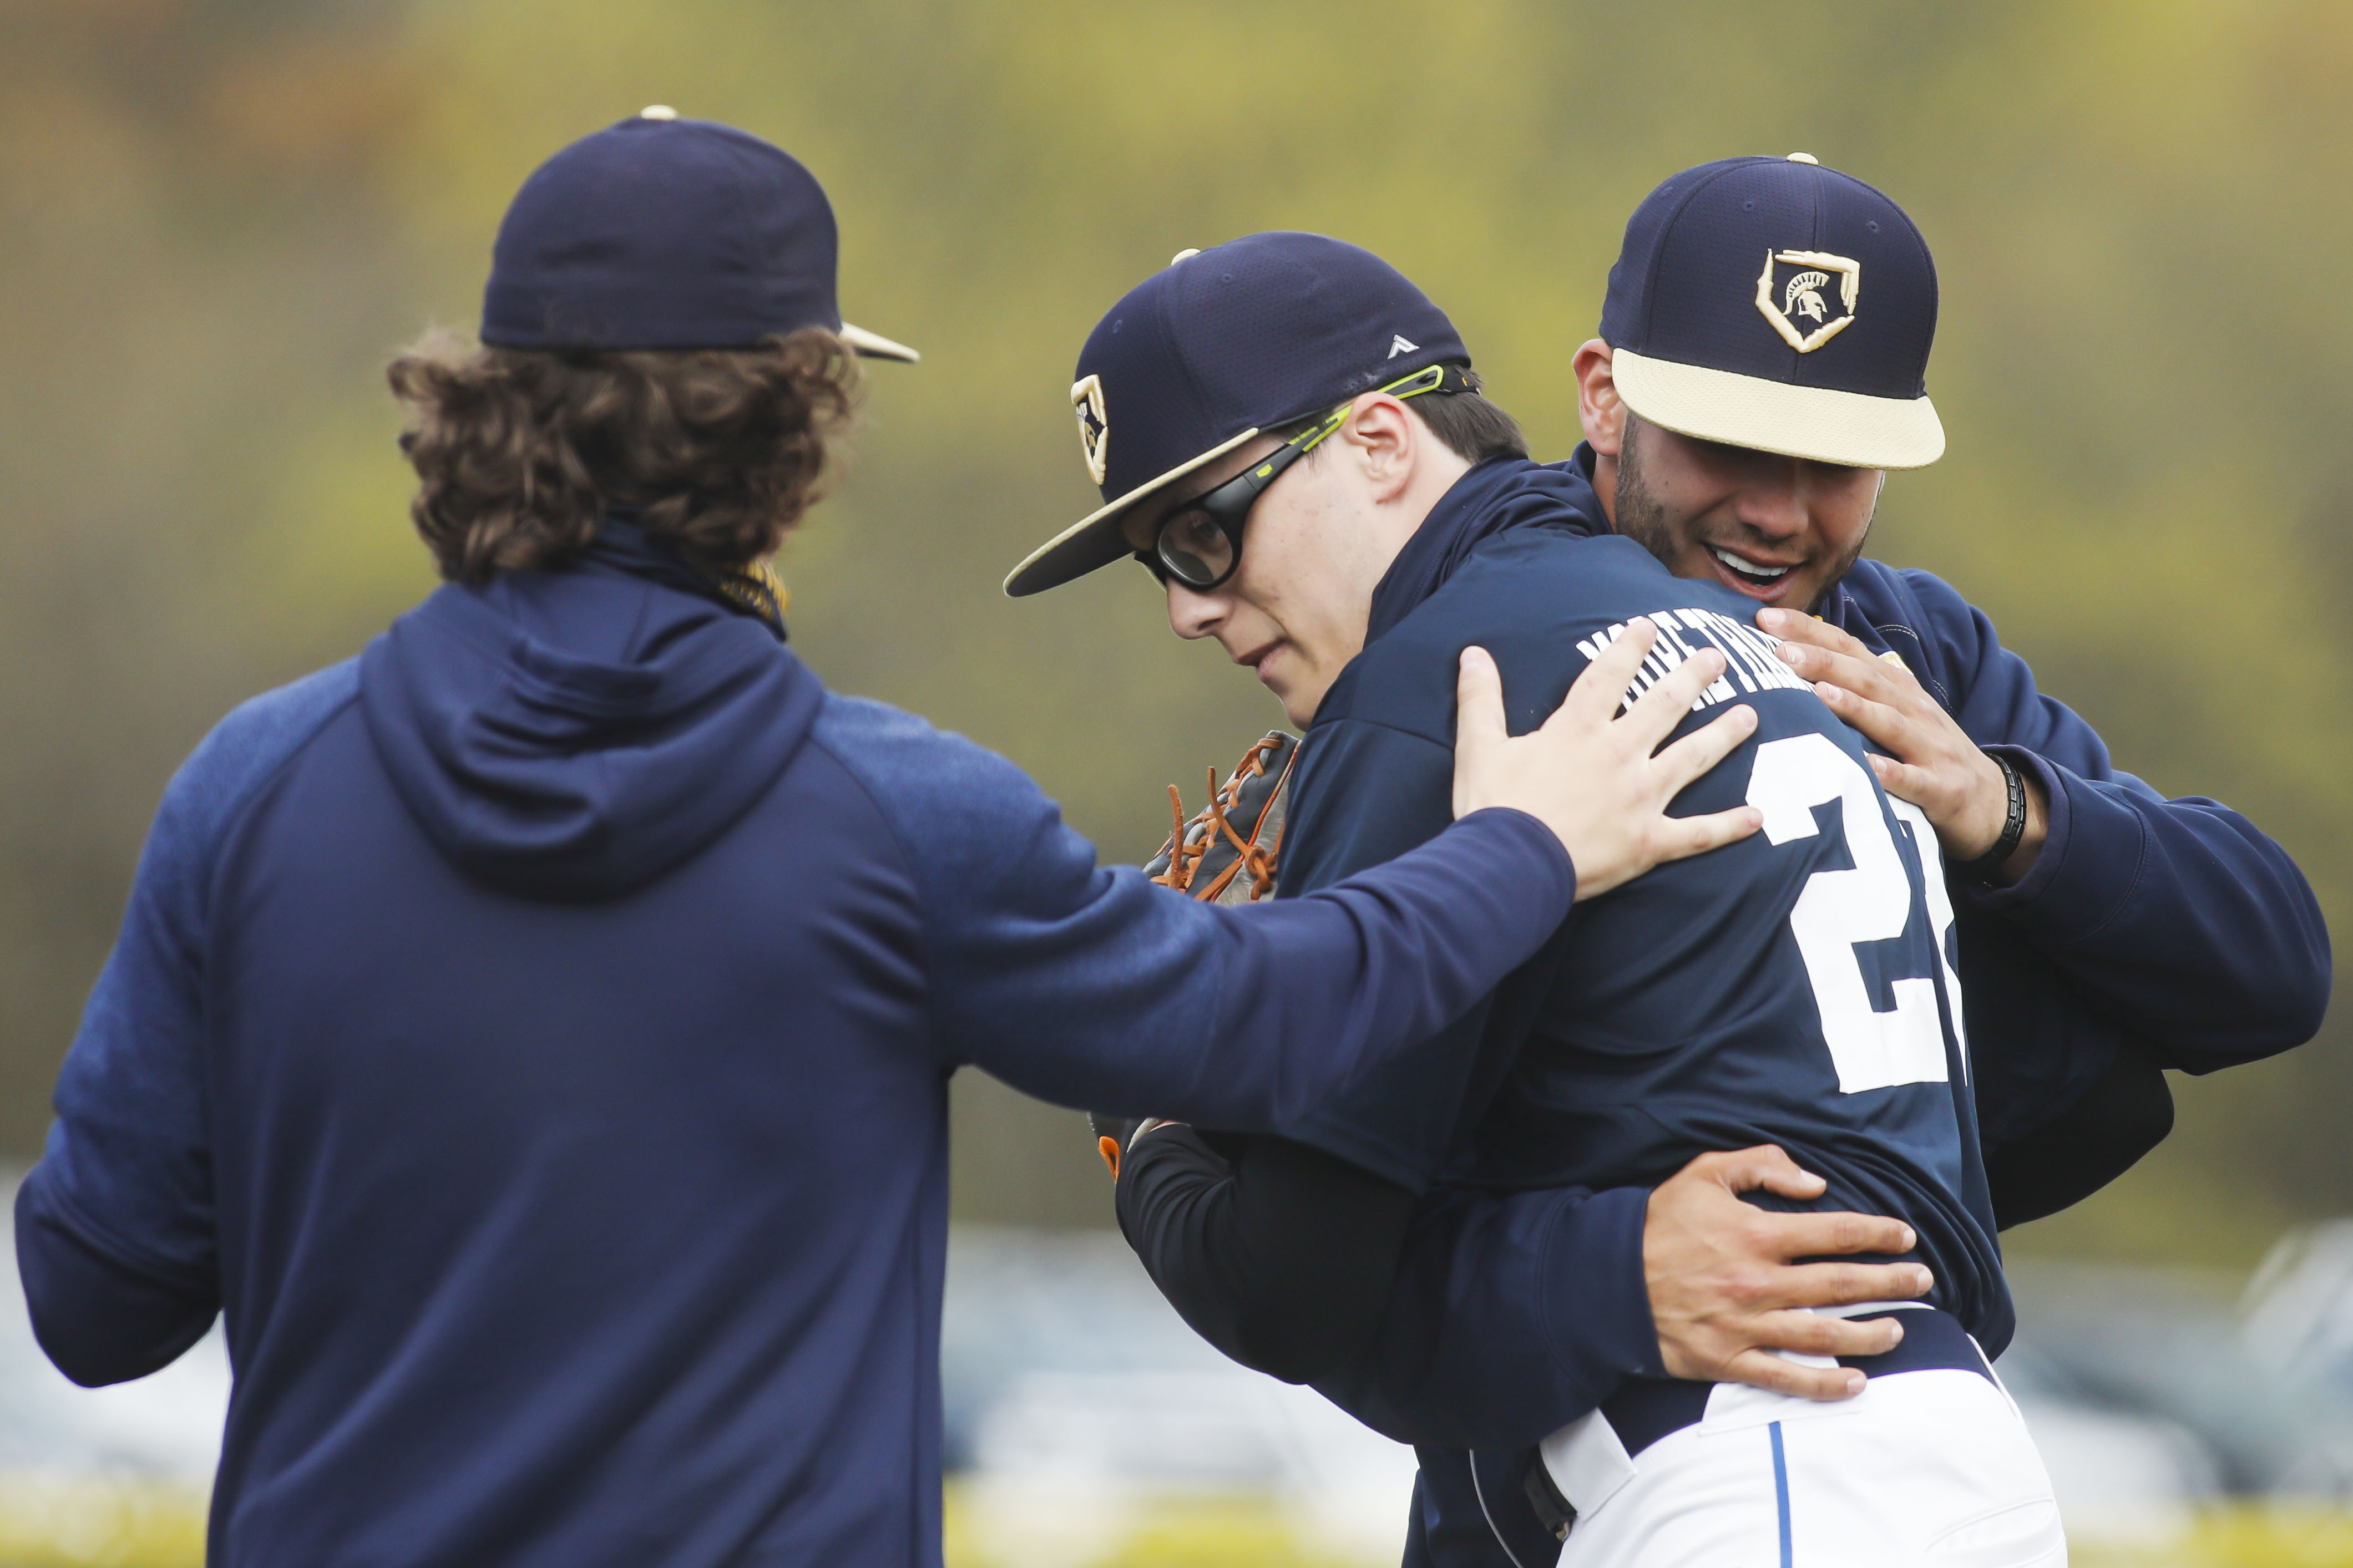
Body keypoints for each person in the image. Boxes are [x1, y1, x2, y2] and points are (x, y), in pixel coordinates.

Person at [8, 115, 1771, 1568]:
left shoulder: (258, 792)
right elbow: (1273, 1017)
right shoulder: (892, 821)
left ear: (485, 402)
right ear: (796, 435)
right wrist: (1526, 839)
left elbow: (92, 1303)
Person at [1003, 158, 2326, 1565]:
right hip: (1773, 1456)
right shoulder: (1505, 629)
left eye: (1833, 459)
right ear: (1603, 396)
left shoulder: (1870, 655)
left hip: (1757, 1442)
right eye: (1728, 443)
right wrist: (1618, 1237)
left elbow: (2252, 979)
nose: (1777, 508)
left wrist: (2010, 811)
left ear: (1387, 446)